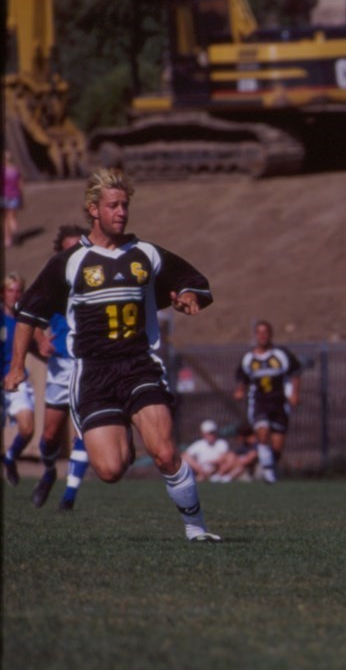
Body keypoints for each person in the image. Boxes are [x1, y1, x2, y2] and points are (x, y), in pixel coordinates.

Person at [3, 167, 220, 542]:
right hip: (93, 374)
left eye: (125, 205)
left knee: (167, 453)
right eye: (113, 205)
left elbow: (195, 284)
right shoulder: (69, 262)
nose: (121, 212)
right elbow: (28, 313)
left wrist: (188, 298)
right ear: (94, 209)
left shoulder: (146, 254)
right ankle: (122, 431)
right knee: (110, 469)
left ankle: (197, 528)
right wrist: (17, 365)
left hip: (140, 366)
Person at [30, 224, 93, 511]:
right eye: (68, 250)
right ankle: (49, 471)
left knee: (84, 430)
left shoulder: (96, 279)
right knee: (49, 436)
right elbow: (26, 315)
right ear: (58, 254)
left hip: (89, 363)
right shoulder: (51, 283)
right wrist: (39, 336)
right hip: (60, 365)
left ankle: (69, 495)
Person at [233, 320, 301, 484]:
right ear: (255, 335)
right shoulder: (249, 358)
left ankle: (265, 468)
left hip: (279, 403)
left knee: (277, 448)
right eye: (259, 332)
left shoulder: (281, 355)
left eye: (266, 332)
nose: (262, 336)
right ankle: (269, 477)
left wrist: (295, 394)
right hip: (259, 402)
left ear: (270, 335)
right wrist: (240, 390)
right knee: (263, 433)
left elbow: (295, 373)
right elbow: (242, 379)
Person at [3, 272, 36, 486]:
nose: (15, 295)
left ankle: (10, 457)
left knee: (27, 428)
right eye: (10, 290)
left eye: (18, 291)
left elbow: (37, 343)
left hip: (16, 382)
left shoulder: (26, 320)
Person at [4, 151, 23, 248]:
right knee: (13, 218)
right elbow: (20, 185)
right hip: (15, 196)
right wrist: (20, 197)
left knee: (5, 219)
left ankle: (7, 239)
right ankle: (16, 234)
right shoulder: (15, 170)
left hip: (4, 197)